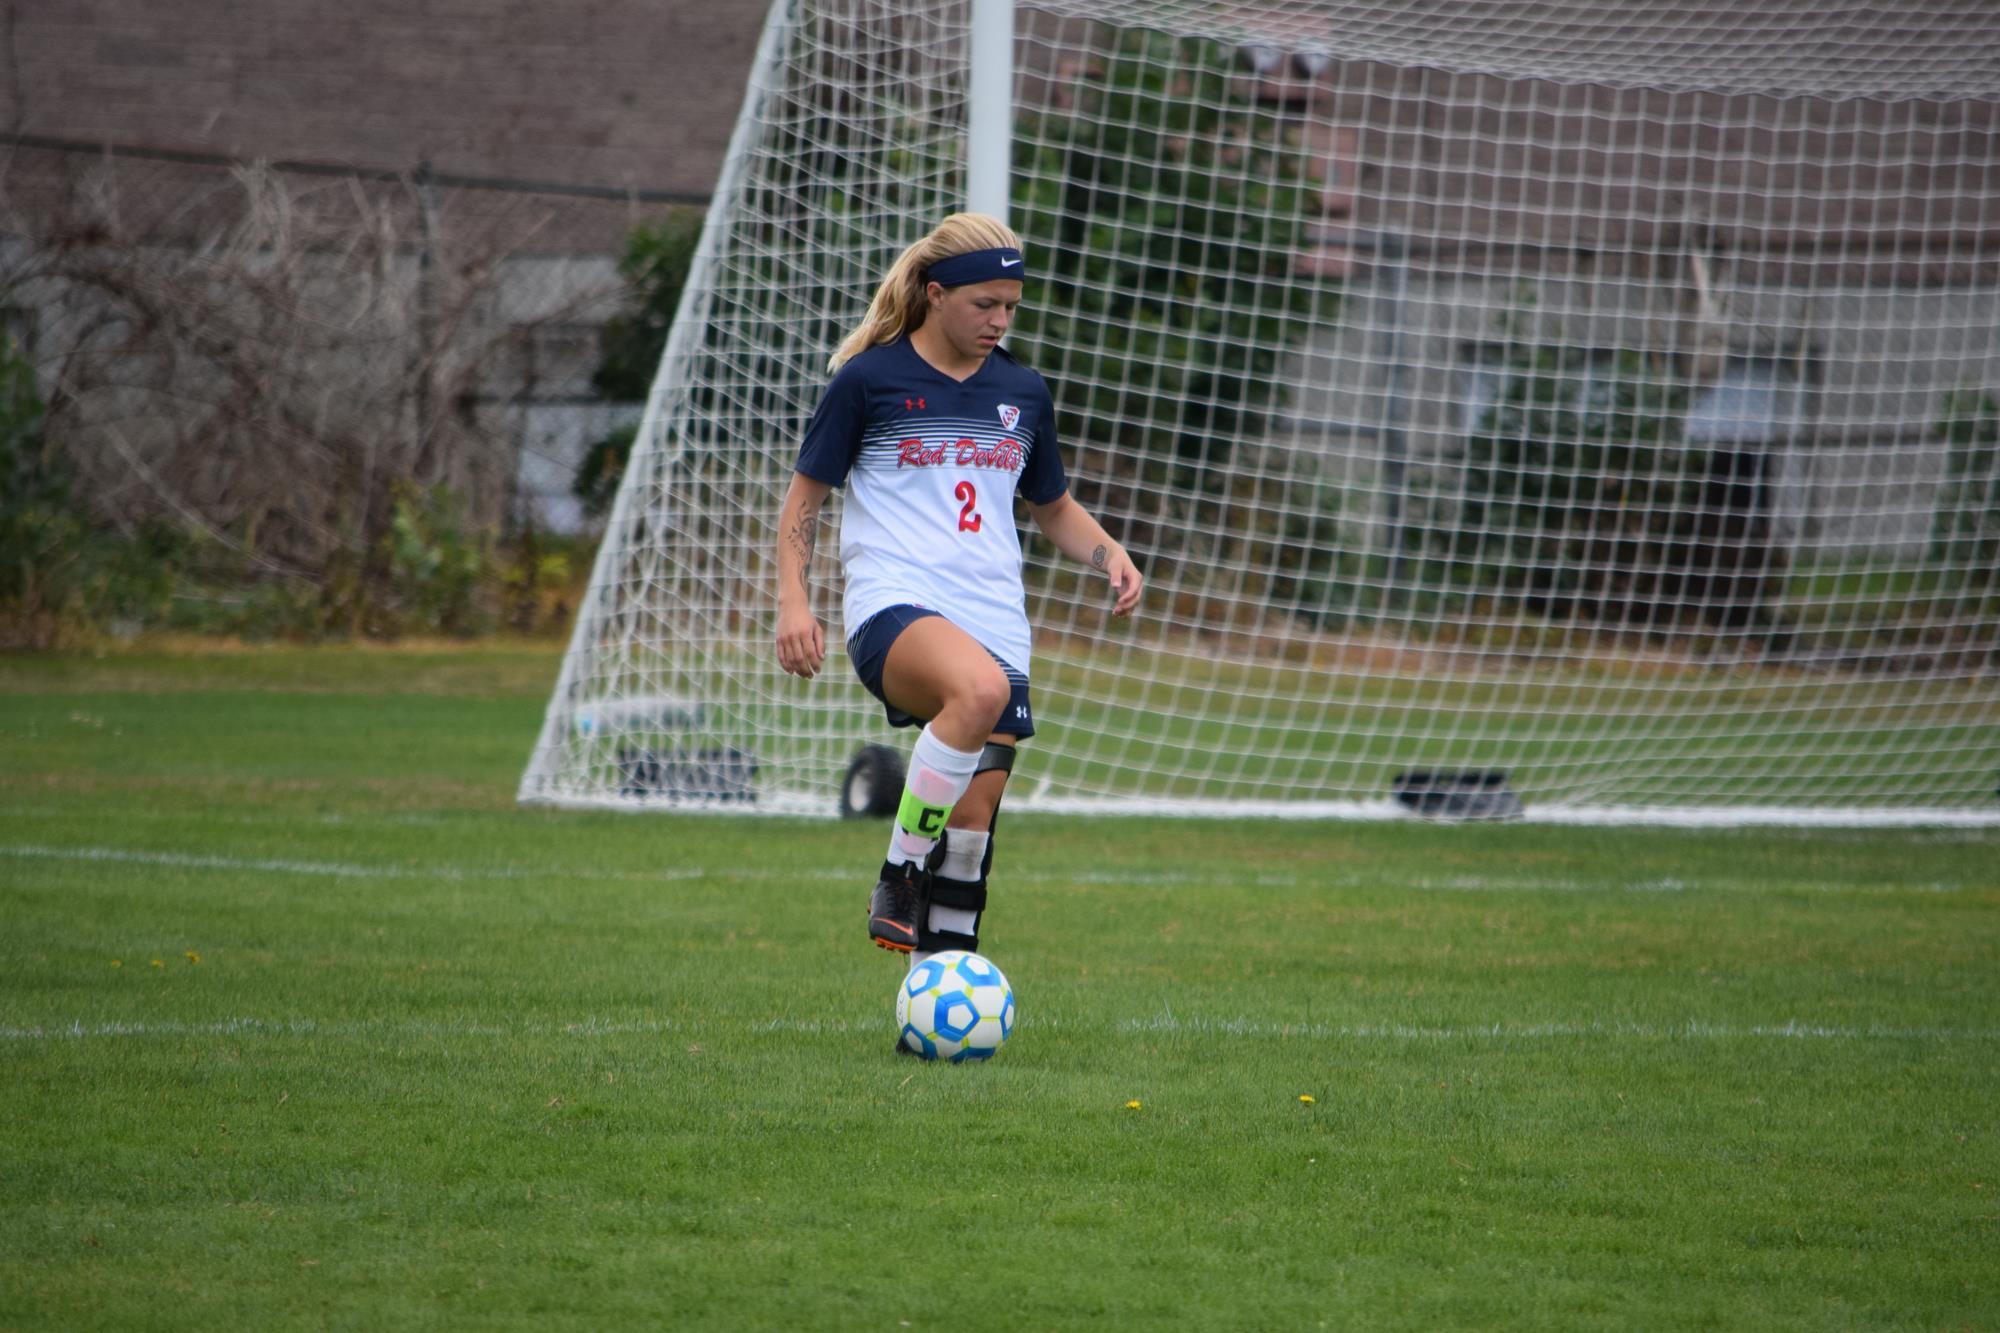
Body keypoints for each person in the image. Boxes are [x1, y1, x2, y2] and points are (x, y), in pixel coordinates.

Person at [773, 212, 1142, 968]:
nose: (1000, 320)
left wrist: (1109, 552)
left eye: (1011, 306)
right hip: (895, 603)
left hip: (994, 615)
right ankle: (899, 870)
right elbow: (804, 499)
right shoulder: (868, 380)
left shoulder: (1023, 391)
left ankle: (934, 1000)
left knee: (970, 833)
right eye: (985, 304)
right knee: (978, 691)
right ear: (936, 295)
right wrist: (793, 602)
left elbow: (1052, 507)